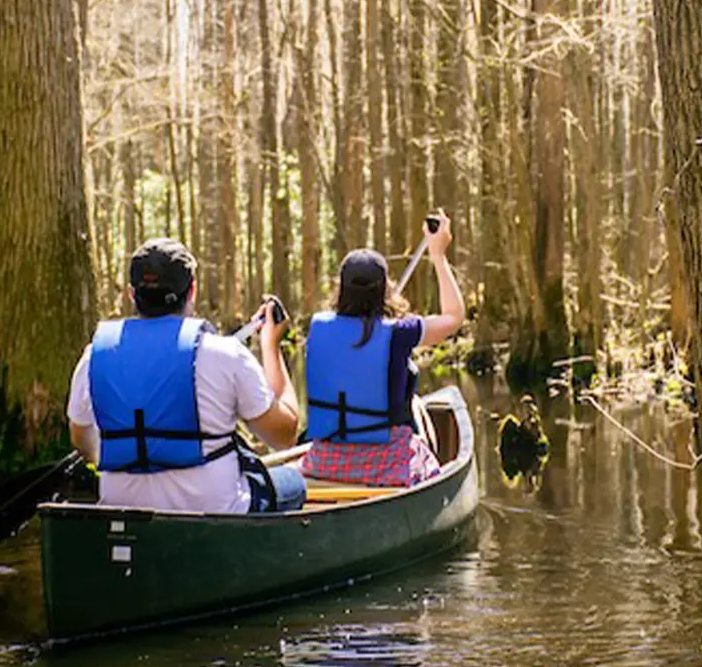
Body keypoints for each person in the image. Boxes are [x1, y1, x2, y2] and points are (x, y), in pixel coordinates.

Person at [66, 238, 306, 513]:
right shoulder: (226, 354)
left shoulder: (93, 357)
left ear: (132, 294)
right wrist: (270, 346)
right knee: (293, 483)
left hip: (123, 510)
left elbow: (81, 440)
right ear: (191, 290)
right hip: (217, 513)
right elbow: (284, 436)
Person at [300, 210, 465, 487]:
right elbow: (454, 316)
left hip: (325, 462)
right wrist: (438, 254)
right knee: (416, 413)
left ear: (341, 290)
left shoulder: (317, 329)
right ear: (384, 290)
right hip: (387, 464)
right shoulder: (400, 332)